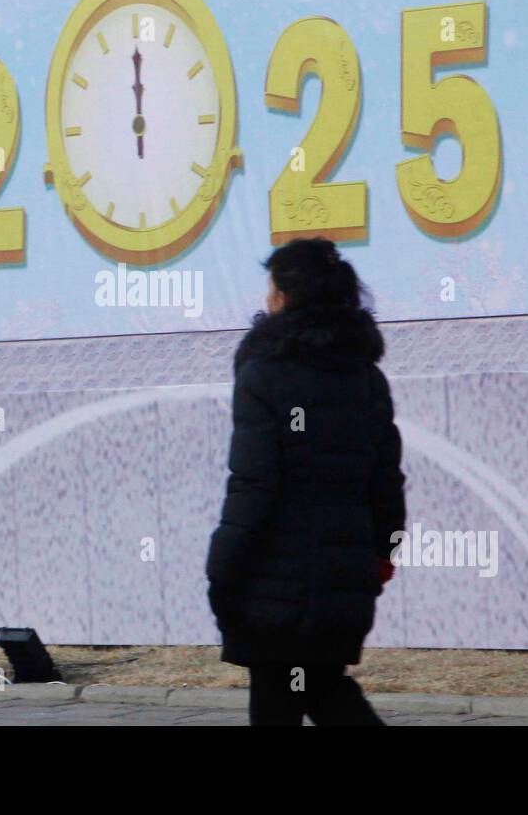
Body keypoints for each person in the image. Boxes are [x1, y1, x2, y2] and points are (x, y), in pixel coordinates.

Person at [206, 236, 406, 726]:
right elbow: (387, 484)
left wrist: (222, 568)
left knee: (291, 693)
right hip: (342, 581)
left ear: (286, 298)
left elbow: (253, 487)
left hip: (273, 584)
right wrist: (378, 558)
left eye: (271, 289)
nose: (265, 300)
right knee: (320, 686)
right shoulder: (365, 377)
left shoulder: (263, 375)